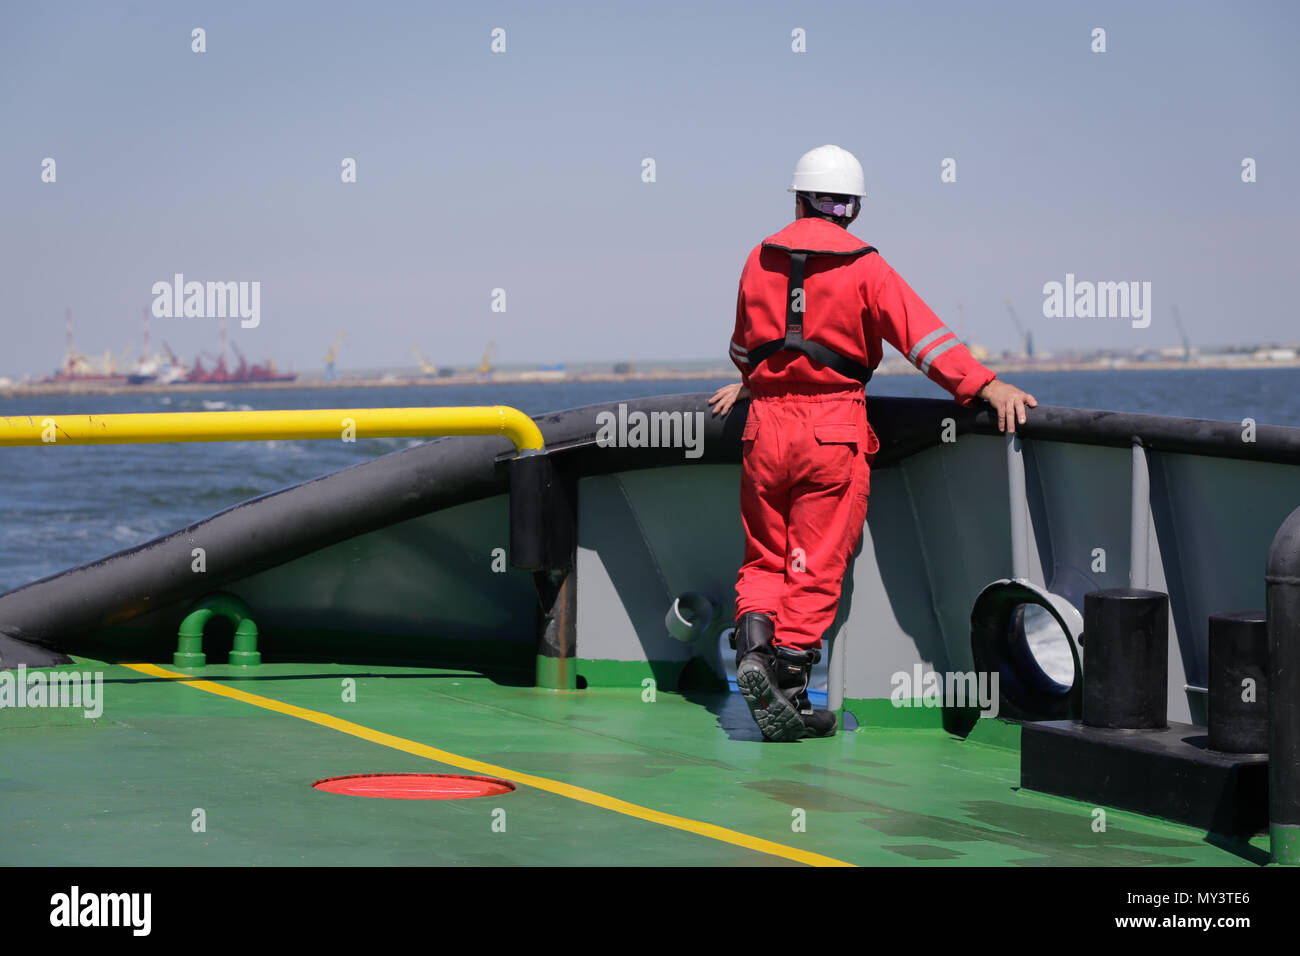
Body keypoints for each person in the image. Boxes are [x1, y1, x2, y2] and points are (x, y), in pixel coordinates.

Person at [708, 144, 1036, 742]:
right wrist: (984, 385)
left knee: (765, 557)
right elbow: (924, 340)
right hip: (832, 429)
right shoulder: (865, 264)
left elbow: (742, 346)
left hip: (764, 427)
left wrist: (759, 381)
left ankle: (754, 649)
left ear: (796, 198)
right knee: (817, 562)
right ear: (850, 208)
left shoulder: (759, 258)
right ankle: (788, 679)